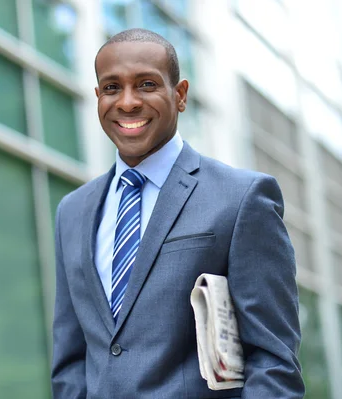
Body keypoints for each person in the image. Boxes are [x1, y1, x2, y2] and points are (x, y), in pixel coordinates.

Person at [51, 28, 304, 399]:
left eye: (146, 84)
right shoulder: (72, 212)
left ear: (180, 95)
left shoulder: (241, 199)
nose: (127, 102)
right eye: (111, 88)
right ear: (97, 97)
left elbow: (273, 363)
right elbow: (71, 361)